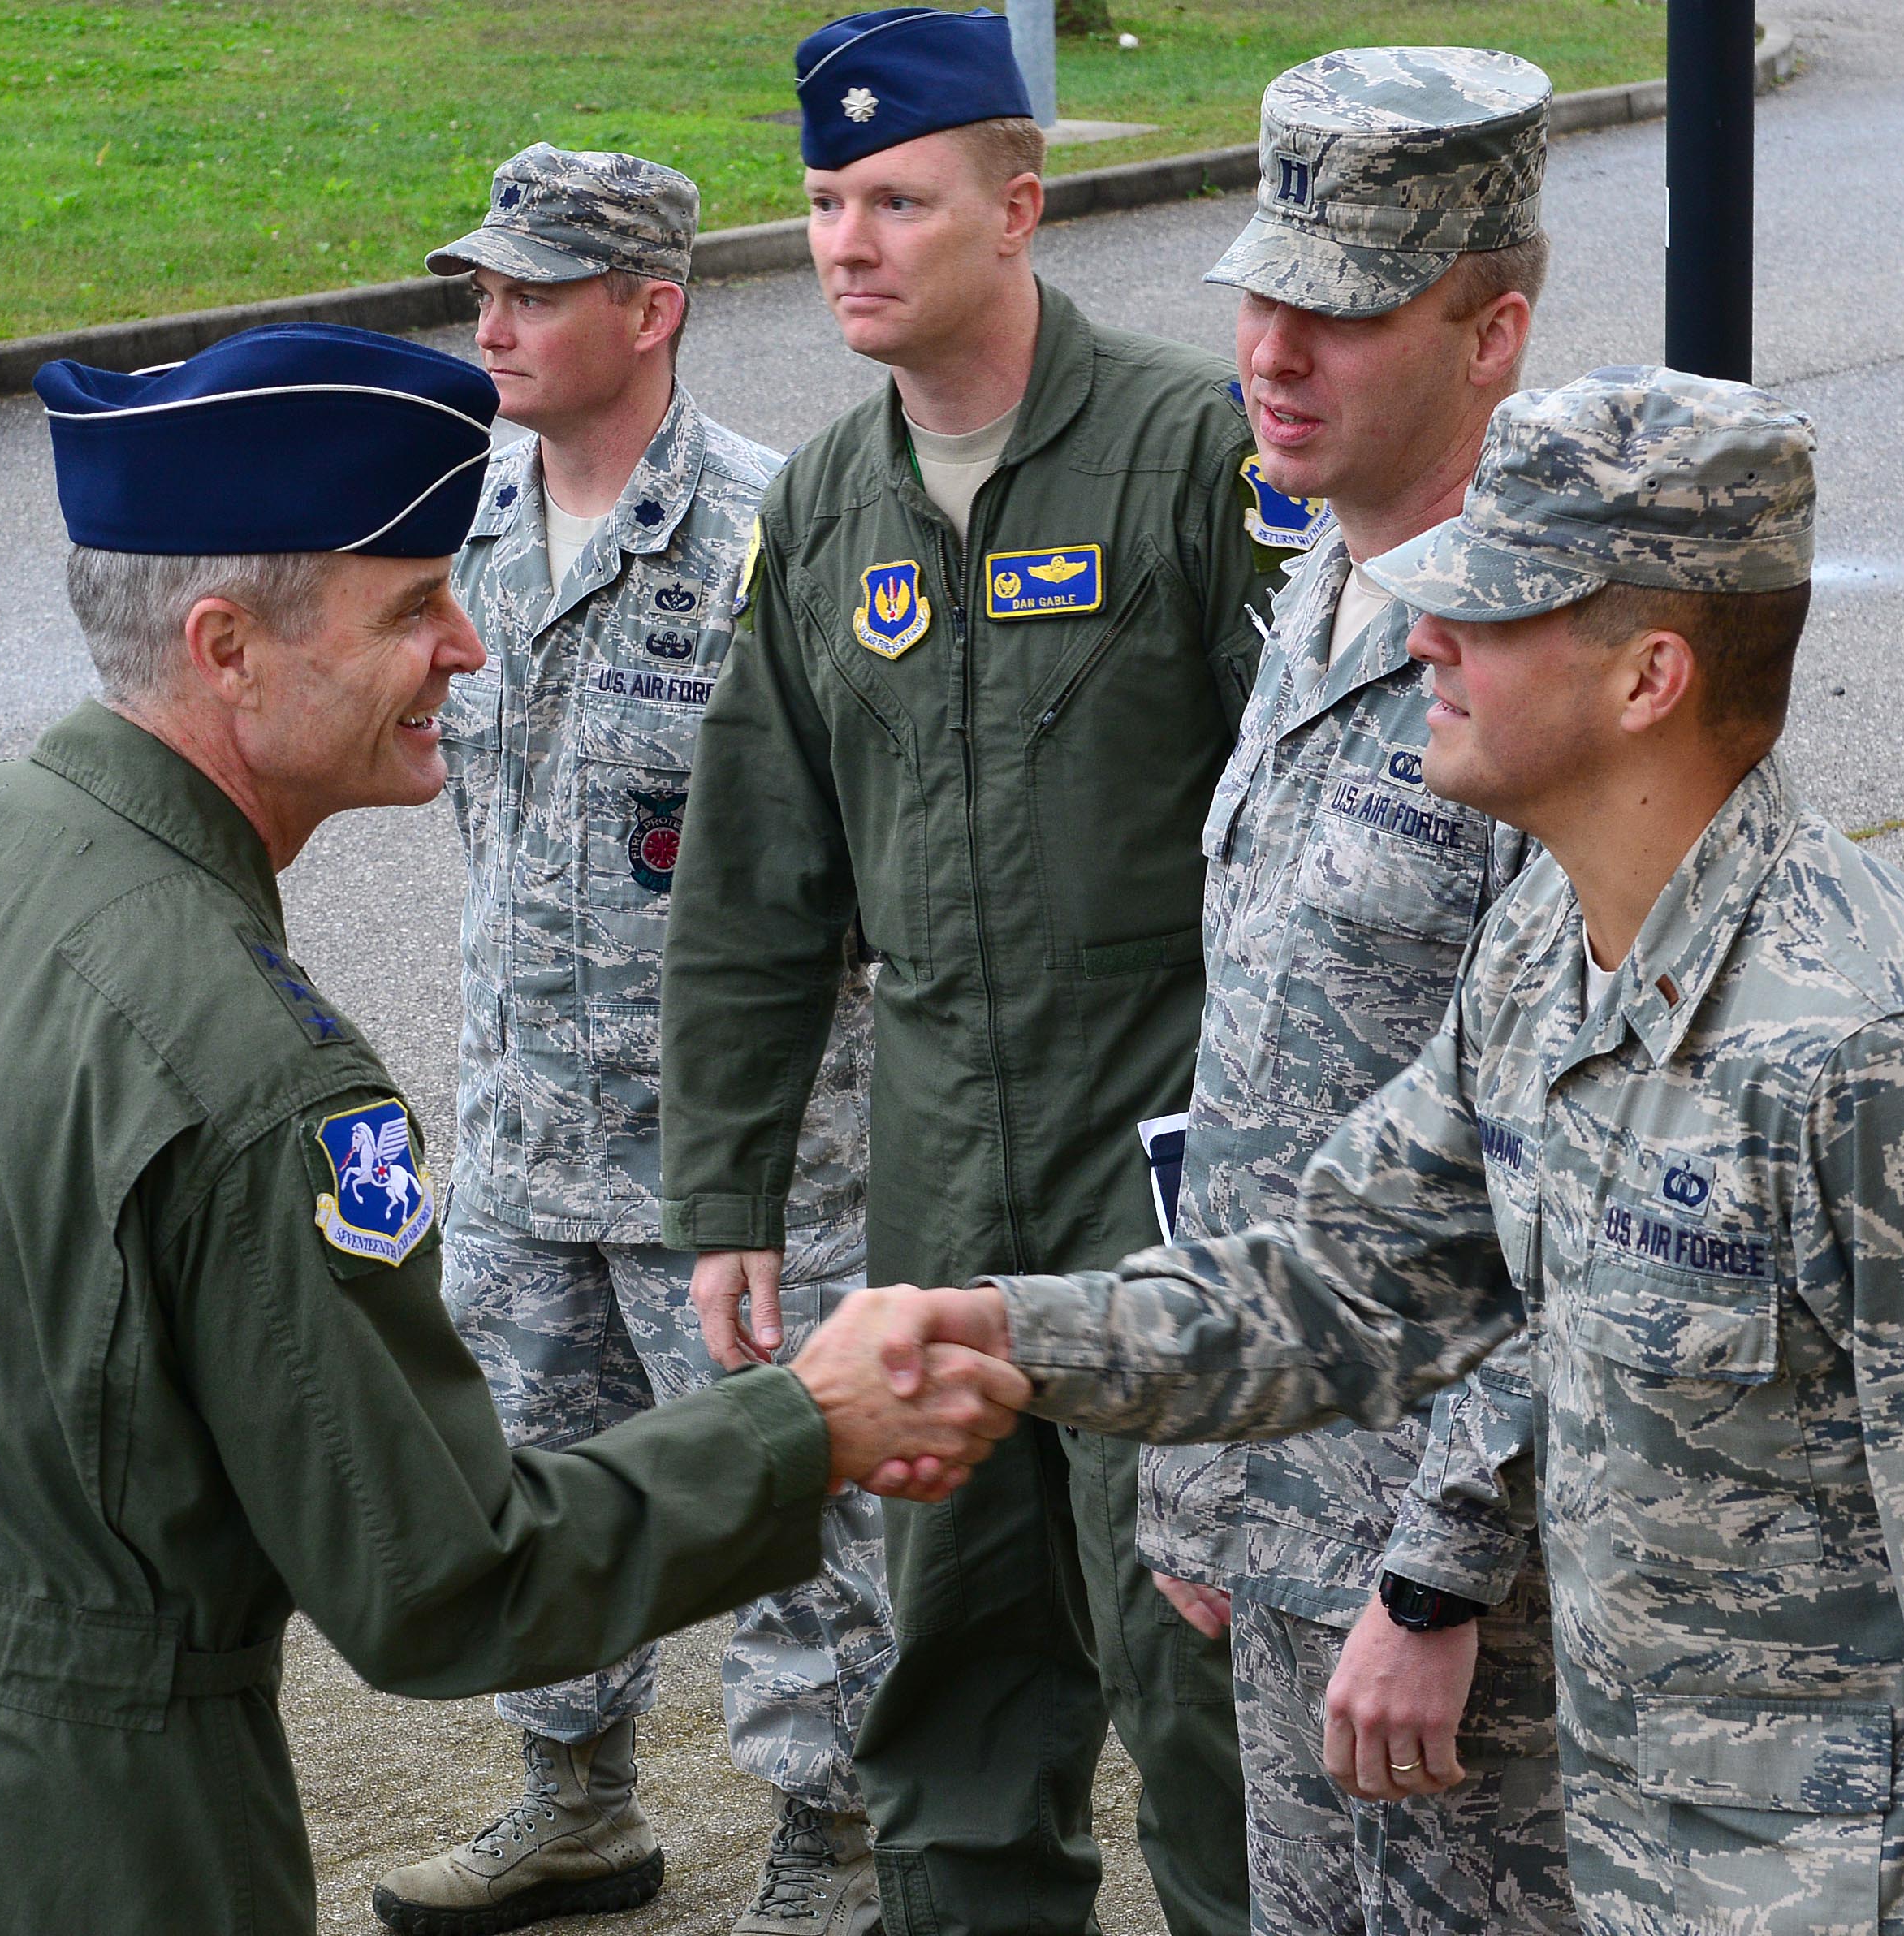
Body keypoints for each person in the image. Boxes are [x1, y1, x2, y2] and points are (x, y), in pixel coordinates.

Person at [0, 322, 1026, 1936]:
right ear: (226, 645)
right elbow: (446, 1577)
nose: (466, 644)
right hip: (90, 1849)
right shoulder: (254, 1077)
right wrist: (804, 1429)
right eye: (408, 609)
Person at [878, 367, 1904, 1935]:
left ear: (1647, 679)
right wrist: (1005, 1339)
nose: (1425, 638)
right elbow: (1332, 1292)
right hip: (1629, 1862)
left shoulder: (1878, 1049)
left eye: (1486, 612)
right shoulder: (1548, 953)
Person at [656, 10, 1288, 1930]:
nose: (848, 239)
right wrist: (730, 1190)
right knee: (954, 1670)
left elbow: (1318, 843)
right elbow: (757, 878)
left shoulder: (1193, 458)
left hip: (1164, 1167)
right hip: (935, 1167)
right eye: (827, 200)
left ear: (1018, 209)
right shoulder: (826, 513)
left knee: (1191, 1667)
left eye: (898, 199)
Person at [366, 145, 894, 1936]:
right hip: (524, 1142)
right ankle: (575, 1803)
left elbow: (867, 863)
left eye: (532, 291)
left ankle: (837, 1838)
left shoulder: (788, 532)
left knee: (788, 1513)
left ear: (650, 310)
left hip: (738, 1169)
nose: (491, 324)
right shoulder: (468, 531)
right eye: (483, 289)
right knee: (529, 1486)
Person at [1134, 49, 1574, 1936]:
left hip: (1473, 1582)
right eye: (1260, 299)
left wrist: (1439, 1580)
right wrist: (1202, 1461)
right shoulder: (1320, 586)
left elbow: (1598, 1176)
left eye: (1341, 313)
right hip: (1293, 1510)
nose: (1272, 354)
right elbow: (1261, 1079)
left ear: (1493, 334)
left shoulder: (1552, 665)